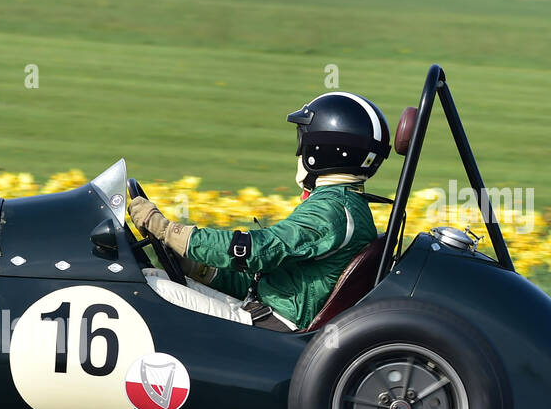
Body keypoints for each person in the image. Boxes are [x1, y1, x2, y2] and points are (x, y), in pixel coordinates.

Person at [128, 92, 390, 331]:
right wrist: (204, 270)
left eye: (303, 140)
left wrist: (168, 231)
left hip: (273, 328)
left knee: (142, 289)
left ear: (322, 149)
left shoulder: (331, 210)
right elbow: (273, 283)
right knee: (151, 278)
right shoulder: (345, 204)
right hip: (264, 314)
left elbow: (257, 251)